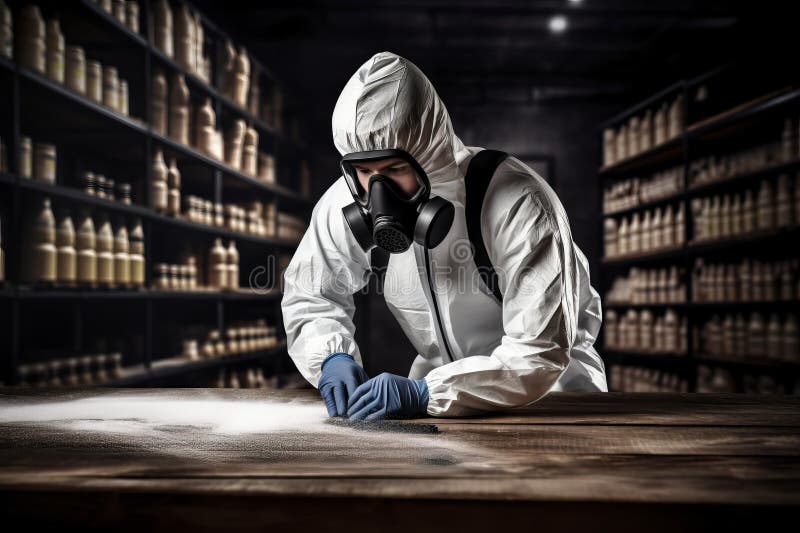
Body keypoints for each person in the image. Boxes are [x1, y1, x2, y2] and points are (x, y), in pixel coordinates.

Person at [281, 51, 607, 421]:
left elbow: (539, 350)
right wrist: (331, 356)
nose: (378, 190)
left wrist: (427, 392)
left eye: (394, 168)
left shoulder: (517, 202)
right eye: (364, 170)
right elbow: (312, 292)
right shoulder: (344, 202)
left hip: (550, 402)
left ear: (429, 153)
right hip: (438, 405)